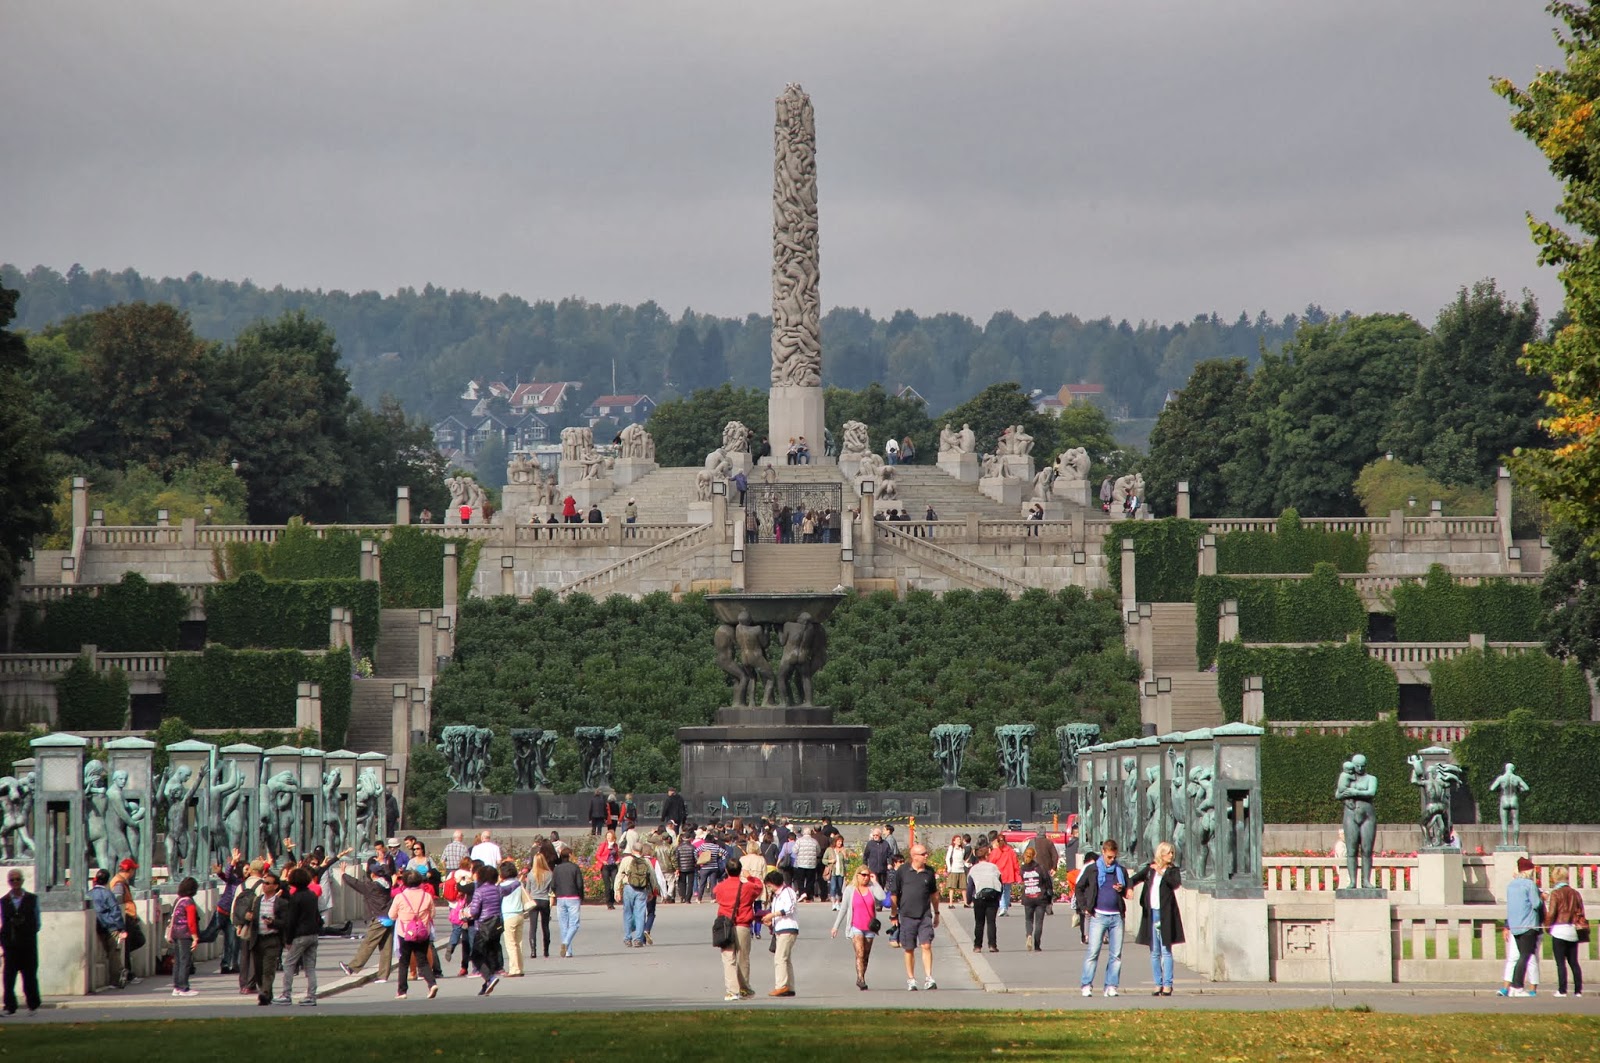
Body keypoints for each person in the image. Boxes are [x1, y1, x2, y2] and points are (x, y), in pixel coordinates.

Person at [1129, 841, 1184, 996]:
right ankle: (1157, 983)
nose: (1171, 855)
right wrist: (1125, 887)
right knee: (1154, 951)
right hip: (1152, 913)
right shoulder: (1150, 869)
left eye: (1172, 853)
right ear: (1161, 854)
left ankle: (1167, 984)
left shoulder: (1172, 871)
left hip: (1165, 914)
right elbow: (1135, 878)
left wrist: (1162, 872)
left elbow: (1175, 884)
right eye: (1168, 853)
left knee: (1166, 949)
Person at [1075, 839, 1128, 997]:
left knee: (1116, 954)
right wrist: (1085, 907)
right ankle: (1086, 984)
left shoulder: (1120, 870)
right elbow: (1079, 887)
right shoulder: (1093, 869)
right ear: (1103, 852)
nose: (1112, 860)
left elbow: (1127, 890)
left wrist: (1122, 889)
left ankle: (1111, 985)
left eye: (1114, 857)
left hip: (1116, 916)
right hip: (1098, 915)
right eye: (1109, 857)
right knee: (1093, 952)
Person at [892, 844, 940, 991]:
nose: (926, 856)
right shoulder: (903, 871)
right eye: (923, 854)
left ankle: (929, 977)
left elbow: (934, 894)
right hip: (906, 915)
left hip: (925, 914)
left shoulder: (929, 871)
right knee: (909, 948)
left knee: (926, 945)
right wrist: (893, 914)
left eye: (926, 853)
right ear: (914, 856)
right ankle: (911, 979)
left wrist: (936, 913)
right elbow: (894, 894)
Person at [337, 859, 395, 982]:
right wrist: (384, 862)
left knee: (368, 943)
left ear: (372, 874)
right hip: (389, 917)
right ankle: (383, 975)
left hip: (379, 919)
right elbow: (387, 872)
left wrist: (343, 874)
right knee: (386, 947)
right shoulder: (387, 882)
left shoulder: (372, 886)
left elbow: (356, 884)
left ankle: (352, 967)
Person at [832, 864, 887, 991]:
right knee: (860, 953)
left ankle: (862, 976)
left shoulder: (872, 887)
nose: (866, 878)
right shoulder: (850, 890)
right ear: (857, 875)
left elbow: (883, 898)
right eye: (863, 875)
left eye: (868, 875)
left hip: (870, 927)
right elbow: (844, 909)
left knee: (866, 955)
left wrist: (875, 881)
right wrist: (836, 927)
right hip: (855, 926)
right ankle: (860, 979)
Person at [388, 869, 440, 1001]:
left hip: (405, 932)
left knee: (404, 962)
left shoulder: (400, 897)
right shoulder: (426, 896)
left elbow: (391, 915)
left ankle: (402, 991)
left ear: (404, 882)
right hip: (422, 932)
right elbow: (433, 914)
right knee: (422, 960)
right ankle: (432, 984)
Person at [713, 864, 759, 1001]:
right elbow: (759, 886)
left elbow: (717, 895)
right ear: (740, 871)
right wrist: (749, 876)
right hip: (743, 924)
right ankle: (744, 988)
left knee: (728, 958)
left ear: (726, 870)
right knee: (743, 958)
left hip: (725, 924)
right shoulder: (749, 887)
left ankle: (732, 990)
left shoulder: (720, 886)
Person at [277, 866, 321, 1006]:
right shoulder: (312, 895)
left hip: (300, 934)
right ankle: (311, 995)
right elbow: (318, 917)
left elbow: (291, 920)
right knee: (310, 967)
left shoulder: (296, 898)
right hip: (313, 933)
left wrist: (288, 939)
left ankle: (286, 993)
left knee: (289, 964)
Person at [242, 870, 287, 1006]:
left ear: (275, 886)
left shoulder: (281, 903)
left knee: (268, 969)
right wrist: (248, 917)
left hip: (272, 939)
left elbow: (285, 922)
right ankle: (266, 992)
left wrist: (273, 922)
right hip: (257, 938)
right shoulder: (257, 900)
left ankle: (264, 994)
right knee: (259, 970)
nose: (265, 885)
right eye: (264, 883)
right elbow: (248, 914)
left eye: (268, 883)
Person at [1502, 856, 1544, 996]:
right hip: (1528, 925)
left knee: (1521, 956)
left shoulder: (1511, 885)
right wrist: (1542, 897)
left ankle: (1514, 987)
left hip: (1516, 926)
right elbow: (1536, 904)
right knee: (1525, 956)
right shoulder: (1529, 884)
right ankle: (1517, 986)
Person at [1545, 866, 1587, 997]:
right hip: (1572, 929)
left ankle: (1562, 990)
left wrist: (1547, 927)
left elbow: (1551, 913)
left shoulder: (1555, 894)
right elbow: (1581, 911)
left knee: (1560, 963)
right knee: (1574, 962)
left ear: (1555, 879)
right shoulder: (1575, 893)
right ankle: (1578, 990)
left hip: (1559, 930)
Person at [463, 863, 505, 995]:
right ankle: (487, 983)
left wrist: (466, 914)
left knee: (476, 955)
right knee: (490, 954)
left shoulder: (479, 891)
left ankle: (489, 978)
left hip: (483, 925)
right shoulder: (498, 889)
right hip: (496, 924)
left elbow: (474, 911)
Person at [89, 868, 127, 986]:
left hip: (95, 925)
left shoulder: (89, 893)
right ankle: (116, 979)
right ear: (107, 880)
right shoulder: (107, 894)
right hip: (110, 926)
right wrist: (121, 928)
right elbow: (115, 911)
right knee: (114, 952)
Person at [764, 869, 799, 996]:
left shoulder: (787, 891)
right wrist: (771, 922)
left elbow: (789, 908)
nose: (769, 888)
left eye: (769, 886)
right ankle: (789, 986)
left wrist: (772, 915)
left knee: (779, 958)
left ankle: (781, 985)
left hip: (788, 928)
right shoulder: (776, 896)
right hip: (779, 928)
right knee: (786, 959)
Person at [616, 842, 654, 948]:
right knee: (640, 914)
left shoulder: (626, 860)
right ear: (642, 851)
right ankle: (638, 939)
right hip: (642, 889)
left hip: (628, 887)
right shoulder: (646, 861)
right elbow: (652, 877)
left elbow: (619, 875)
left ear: (632, 850)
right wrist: (652, 891)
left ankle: (628, 938)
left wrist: (617, 890)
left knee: (628, 913)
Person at [169, 876, 201, 996]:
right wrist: (195, 937)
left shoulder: (178, 900)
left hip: (176, 933)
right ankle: (184, 987)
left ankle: (177, 986)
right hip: (185, 934)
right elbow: (191, 921)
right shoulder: (189, 902)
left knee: (177, 961)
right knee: (185, 960)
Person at [968, 846, 1003, 952]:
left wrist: (969, 899)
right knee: (991, 922)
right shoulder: (993, 867)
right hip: (992, 896)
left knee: (979, 922)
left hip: (979, 897)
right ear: (987, 856)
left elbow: (970, 886)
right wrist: (999, 896)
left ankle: (977, 946)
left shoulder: (973, 869)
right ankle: (992, 945)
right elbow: (1000, 882)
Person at [551, 849, 585, 957]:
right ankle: (566, 943)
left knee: (563, 924)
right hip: (573, 896)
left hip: (561, 897)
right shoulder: (574, 867)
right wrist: (581, 896)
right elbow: (579, 884)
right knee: (574, 924)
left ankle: (568, 951)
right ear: (570, 855)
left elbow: (553, 884)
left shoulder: (557, 869)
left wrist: (557, 893)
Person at [1018, 846, 1050, 952]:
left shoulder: (1022, 869)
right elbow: (1047, 881)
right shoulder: (1040, 867)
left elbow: (1022, 879)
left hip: (1028, 897)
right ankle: (1037, 944)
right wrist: (1049, 896)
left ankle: (1029, 935)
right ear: (1034, 855)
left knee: (1028, 919)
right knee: (1039, 922)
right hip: (1040, 897)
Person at [525, 851, 554, 960]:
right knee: (545, 926)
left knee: (533, 927)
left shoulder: (531, 874)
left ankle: (533, 951)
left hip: (534, 901)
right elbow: (551, 890)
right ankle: (546, 950)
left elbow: (527, 890)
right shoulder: (549, 874)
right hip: (544, 900)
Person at [991, 834, 1020, 917]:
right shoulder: (1010, 851)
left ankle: (1002, 907)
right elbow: (1015, 863)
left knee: (1000, 891)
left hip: (999, 874)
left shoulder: (995, 851)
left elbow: (991, 862)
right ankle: (1005, 907)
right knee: (1006, 891)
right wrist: (1017, 872)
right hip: (1009, 873)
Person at [595, 829, 620, 910]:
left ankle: (612, 901)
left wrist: (618, 860)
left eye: (610, 836)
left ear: (613, 837)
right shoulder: (603, 845)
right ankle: (609, 903)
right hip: (605, 866)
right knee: (608, 885)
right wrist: (603, 861)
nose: (608, 838)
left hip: (613, 866)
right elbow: (598, 855)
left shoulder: (615, 845)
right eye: (607, 836)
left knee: (614, 883)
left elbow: (617, 855)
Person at [825, 834, 849, 909]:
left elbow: (847, 861)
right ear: (835, 842)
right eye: (838, 841)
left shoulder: (844, 850)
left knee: (839, 887)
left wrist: (845, 855)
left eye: (841, 842)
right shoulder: (829, 850)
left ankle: (838, 902)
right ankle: (833, 903)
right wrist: (830, 861)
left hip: (841, 871)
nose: (840, 843)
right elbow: (824, 860)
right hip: (833, 872)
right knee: (833, 887)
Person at [944, 834, 968, 906]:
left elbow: (962, 860)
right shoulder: (952, 848)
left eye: (959, 839)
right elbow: (947, 858)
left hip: (961, 869)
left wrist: (966, 864)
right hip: (954, 869)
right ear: (954, 841)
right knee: (952, 887)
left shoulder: (962, 849)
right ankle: (951, 903)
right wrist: (949, 867)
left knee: (963, 887)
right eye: (957, 840)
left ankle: (965, 902)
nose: (959, 841)